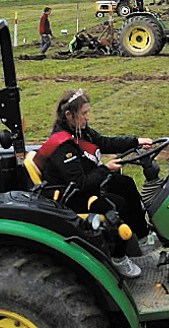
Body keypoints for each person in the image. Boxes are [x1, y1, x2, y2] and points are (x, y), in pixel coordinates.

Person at [35, 88, 160, 278]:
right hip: (70, 195)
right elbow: (80, 183)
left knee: (125, 183)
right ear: (70, 115)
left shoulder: (81, 131)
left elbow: (105, 142)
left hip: (87, 182)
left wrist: (135, 142)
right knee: (117, 205)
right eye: (84, 113)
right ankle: (118, 257)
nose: (88, 118)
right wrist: (106, 169)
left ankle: (142, 236)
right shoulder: (63, 145)